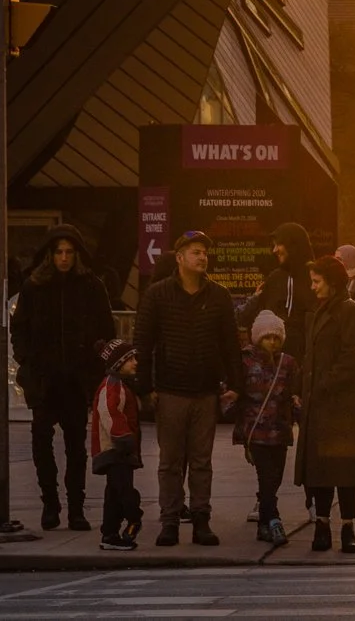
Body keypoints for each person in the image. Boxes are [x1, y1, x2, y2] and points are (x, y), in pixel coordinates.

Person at [132, 229, 239, 547]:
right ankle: (170, 521)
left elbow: (230, 344)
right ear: (179, 258)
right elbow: (143, 343)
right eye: (195, 252)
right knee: (170, 462)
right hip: (170, 391)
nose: (202, 257)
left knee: (202, 461)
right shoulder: (158, 295)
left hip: (205, 392)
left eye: (205, 252)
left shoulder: (218, 296)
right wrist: (144, 388)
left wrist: (236, 385)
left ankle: (201, 519)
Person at [10, 224, 114, 532]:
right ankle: (50, 504)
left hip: (76, 380)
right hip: (44, 379)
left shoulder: (91, 286)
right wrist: (26, 360)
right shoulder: (34, 286)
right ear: (50, 255)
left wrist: (94, 365)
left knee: (76, 448)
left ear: (77, 254)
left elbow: (105, 329)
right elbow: (20, 327)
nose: (64, 258)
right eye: (59, 252)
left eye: (69, 252)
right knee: (41, 442)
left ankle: (76, 509)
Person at [297, 254, 355, 552]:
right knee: (321, 469)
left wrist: (324, 384)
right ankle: (322, 524)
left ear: (331, 282)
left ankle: (347, 526)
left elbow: (352, 356)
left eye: (317, 281)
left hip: (342, 405)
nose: (313, 287)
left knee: (345, 469)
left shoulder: (349, 309)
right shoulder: (320, 311)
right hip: (321, 402)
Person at [234, 311, 299, 545]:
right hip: (256, 431)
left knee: (275, 477)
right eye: (267, 337)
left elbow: (294, 391)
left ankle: (263, 524)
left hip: (279, 430)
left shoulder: (288, 363)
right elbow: (238, 394)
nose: (272, 342)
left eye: (276, 337)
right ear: (258, 338)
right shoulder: (245, 361)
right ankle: (274, 519)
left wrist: (296, 403)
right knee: (266, 476)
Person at [88, 338, 144, 551]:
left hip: (116, 450)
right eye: (130, 359)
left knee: (113, 493)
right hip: (116, 450)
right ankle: (133, 519)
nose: (135, 362)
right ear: (118, 363)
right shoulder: (113, 385)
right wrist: (124, 438)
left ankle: (109, 533)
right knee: (124, 491)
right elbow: (109, 413)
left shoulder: (119, 385)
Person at [252, 223, 315, 357]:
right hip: (274, 360)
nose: (274, 250)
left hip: (308, 358)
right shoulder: (274, 279)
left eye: (279, 244)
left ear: (293, 245)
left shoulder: (316, 278)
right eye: (273, 245)